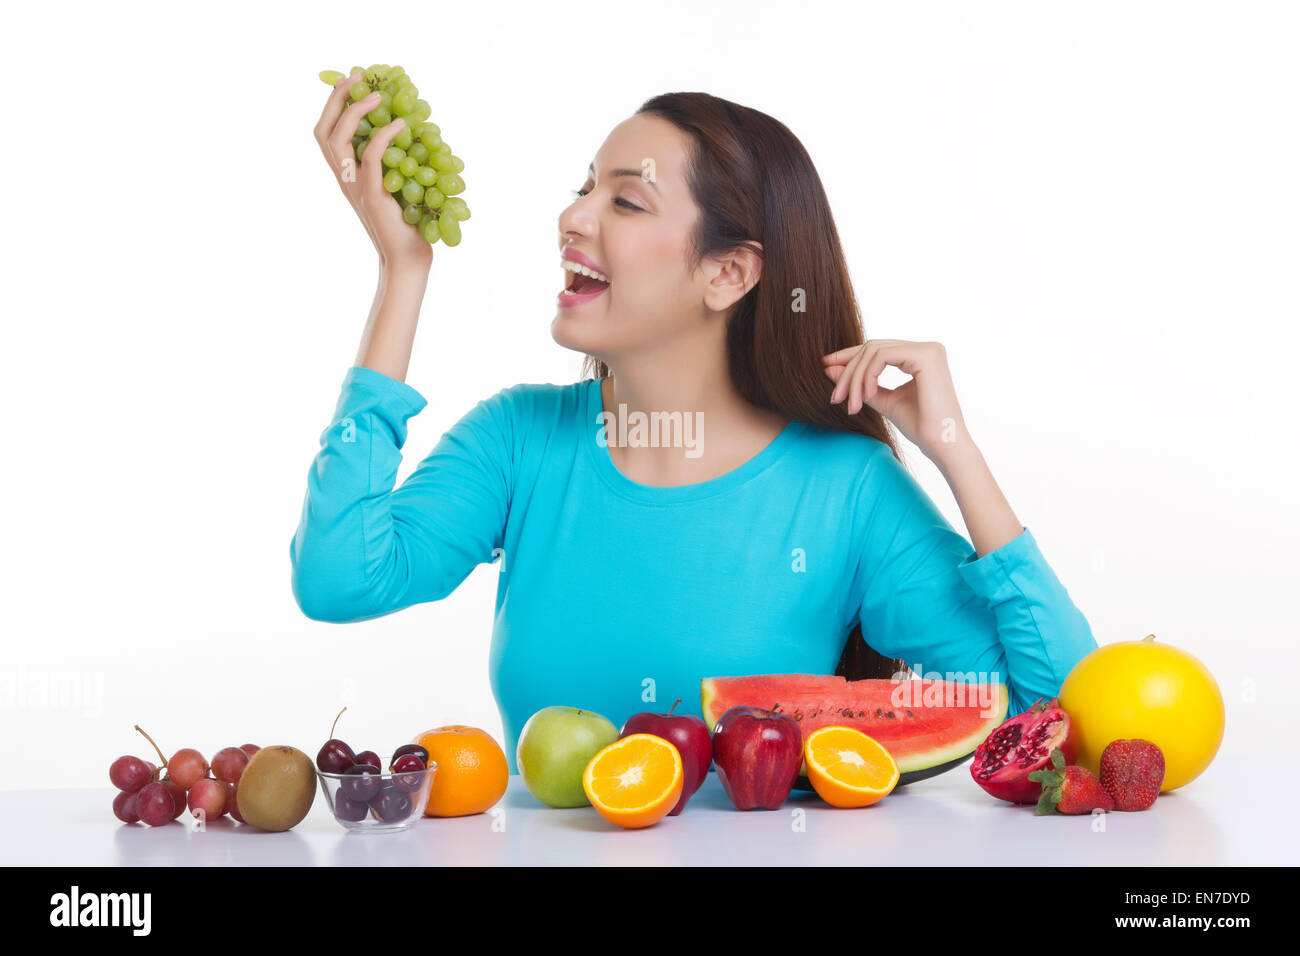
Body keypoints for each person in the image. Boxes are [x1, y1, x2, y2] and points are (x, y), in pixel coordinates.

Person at [293, 83, 1097, 773]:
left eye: (624, 200)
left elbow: (1056, 717)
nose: (571, 217)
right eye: (582, 188)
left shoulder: (847, 491)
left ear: (728, 273)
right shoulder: (519, 440)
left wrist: (955, 449)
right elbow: (339, 580)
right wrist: (404, 273)